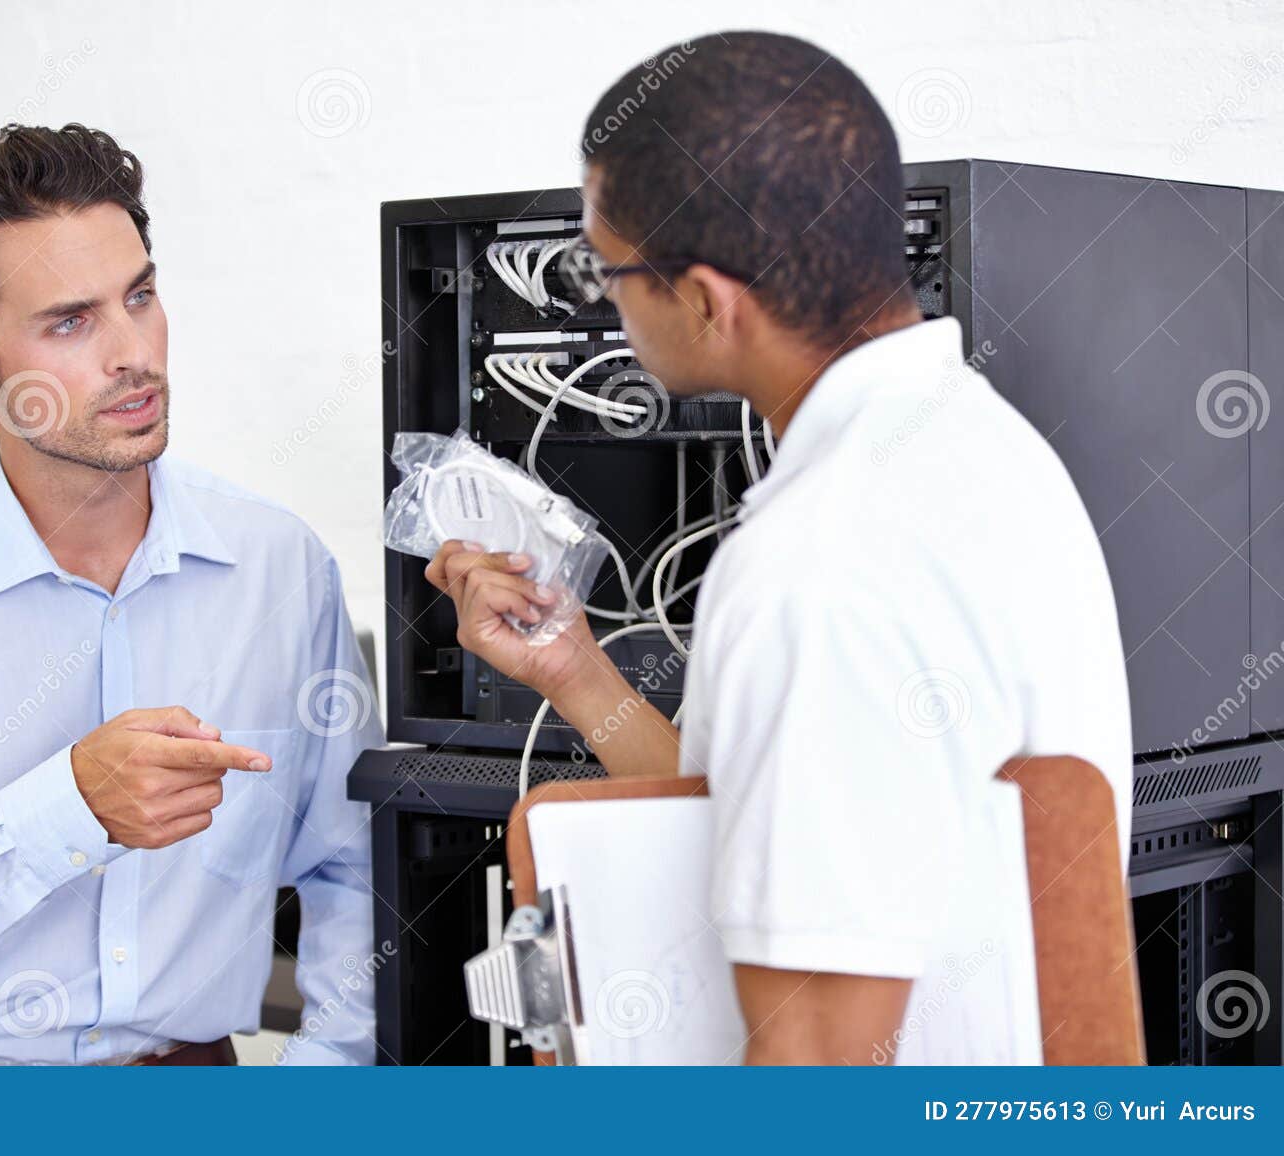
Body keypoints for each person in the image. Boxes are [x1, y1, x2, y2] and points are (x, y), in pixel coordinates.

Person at [425, 33, 1131, 1064]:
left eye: (608, 269)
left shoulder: (821, 557)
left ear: (707, 300)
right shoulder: (986, 453)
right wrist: (575, 674)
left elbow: (814, 1065)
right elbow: (781, 826)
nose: (609, 304)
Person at [0, 125, 379, 1065]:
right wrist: (67, 811)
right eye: (70, 322)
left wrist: (323, 1083)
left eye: (140, 296)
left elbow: (352, 872)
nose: (133, 352)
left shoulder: (280, 569)